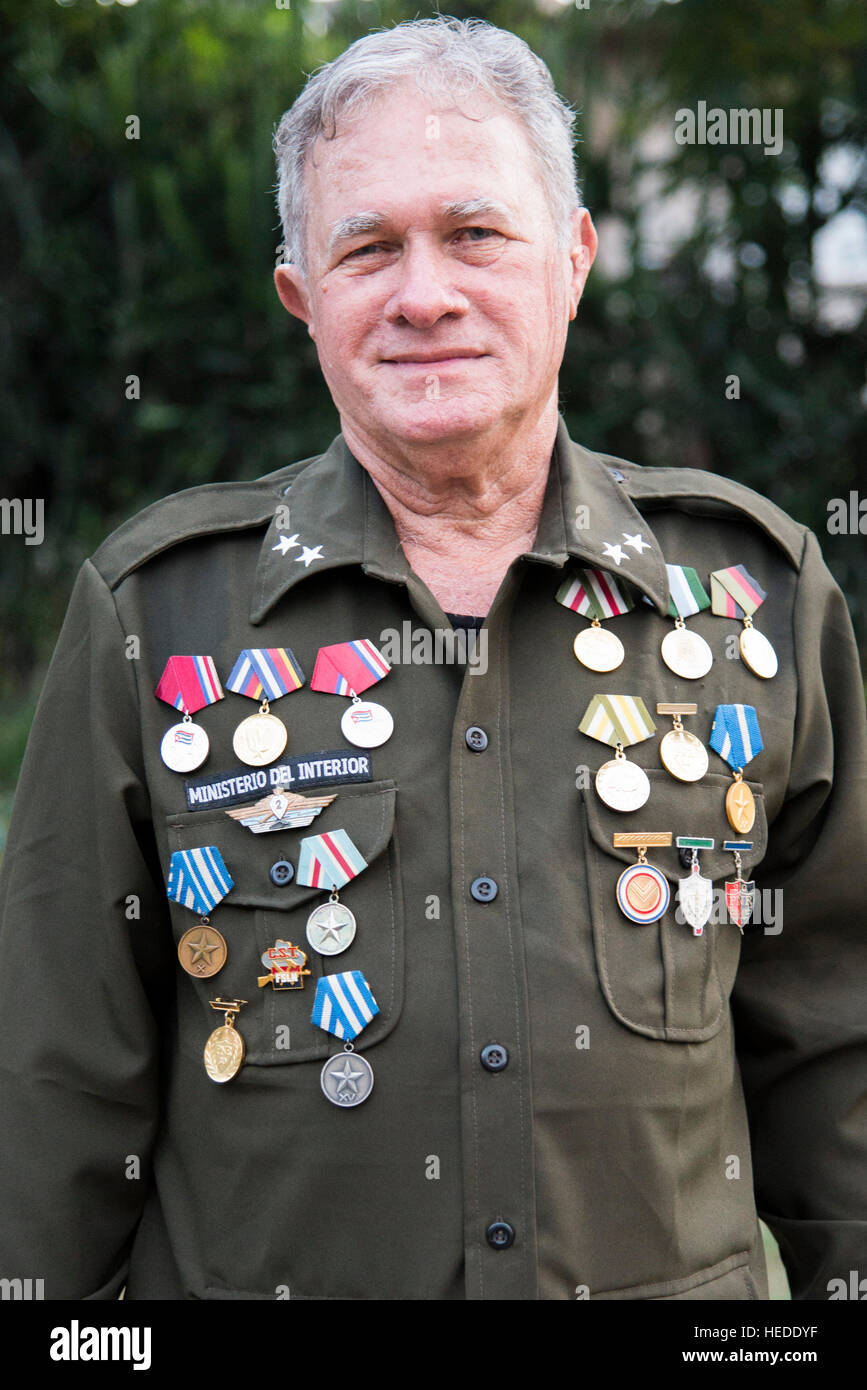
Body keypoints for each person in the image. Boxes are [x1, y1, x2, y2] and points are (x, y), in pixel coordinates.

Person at [0, 15, 864, 1303]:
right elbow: (52, 1094)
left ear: (574, 260)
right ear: (303, 298)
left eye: (475, 234)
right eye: (366, 248)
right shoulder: (154, 615)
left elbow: (841, 1060)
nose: (424, 293)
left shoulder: (756, 596)